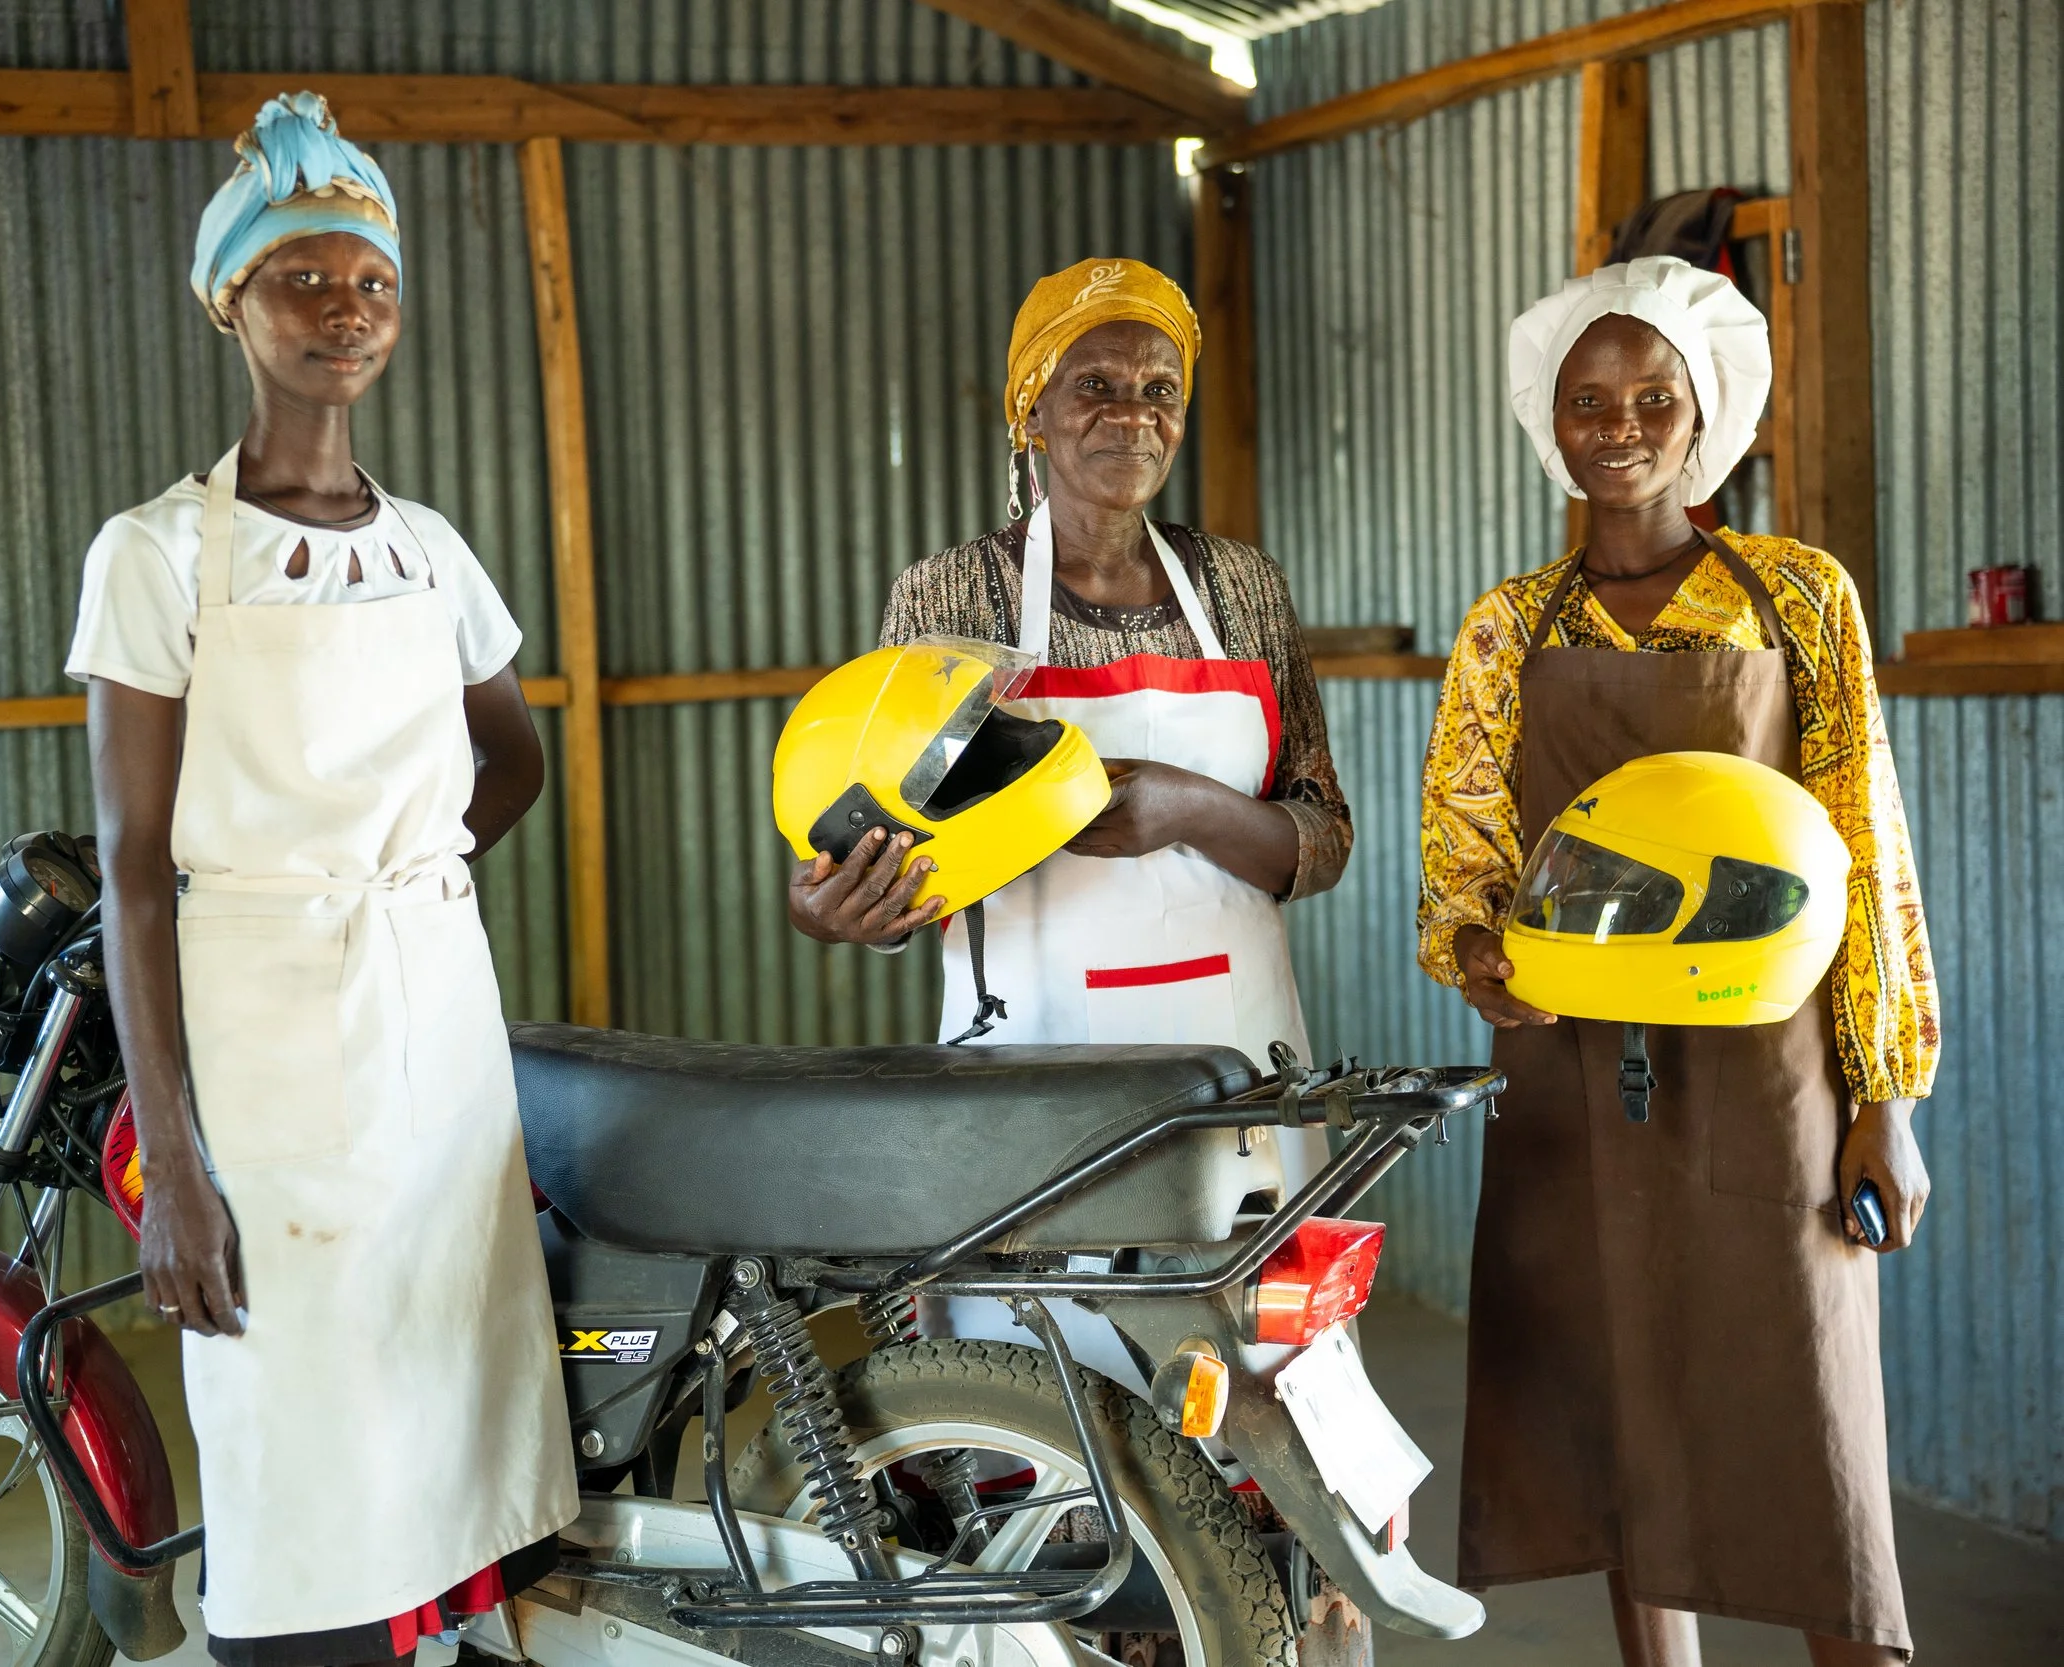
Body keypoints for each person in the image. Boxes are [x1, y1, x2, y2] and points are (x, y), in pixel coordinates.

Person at [67, 93, 575, 1666]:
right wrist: (177, 1160)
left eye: (370, 281)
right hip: (264, 1036)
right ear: (233, 299)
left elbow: (517, 758)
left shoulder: (429, 546)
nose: (343, 309)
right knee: (296, 1434)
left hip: (433, 1019)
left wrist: (411, 869)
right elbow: (135, 874)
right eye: (304, 278)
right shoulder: (156, 555)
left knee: (449, 1387)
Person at [1419, 255, 1936, 1665]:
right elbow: (1462, 857)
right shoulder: (1508, 628)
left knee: (1811, 1424)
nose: (1622, 424)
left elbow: (1866, 851)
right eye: (1590, 400)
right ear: (1553, 423)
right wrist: (1478, 953)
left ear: (1707, 410)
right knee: (1623, 1419)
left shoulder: (1794, 600)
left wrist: (1885, 1096)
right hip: (1580, 1070)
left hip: (1775, 1075)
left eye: (1655, 395)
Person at [786, 257, 1350, 1082]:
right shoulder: (948, 596)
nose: (1133, 417)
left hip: (1239, 1046)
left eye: (1161, 391)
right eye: (1096, 384)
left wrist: (1188, 806)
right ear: (1033, 412)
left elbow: (1325, 840)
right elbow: (869, 840)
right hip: (1028, 1049)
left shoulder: (1243, 588)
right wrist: (832, 911)